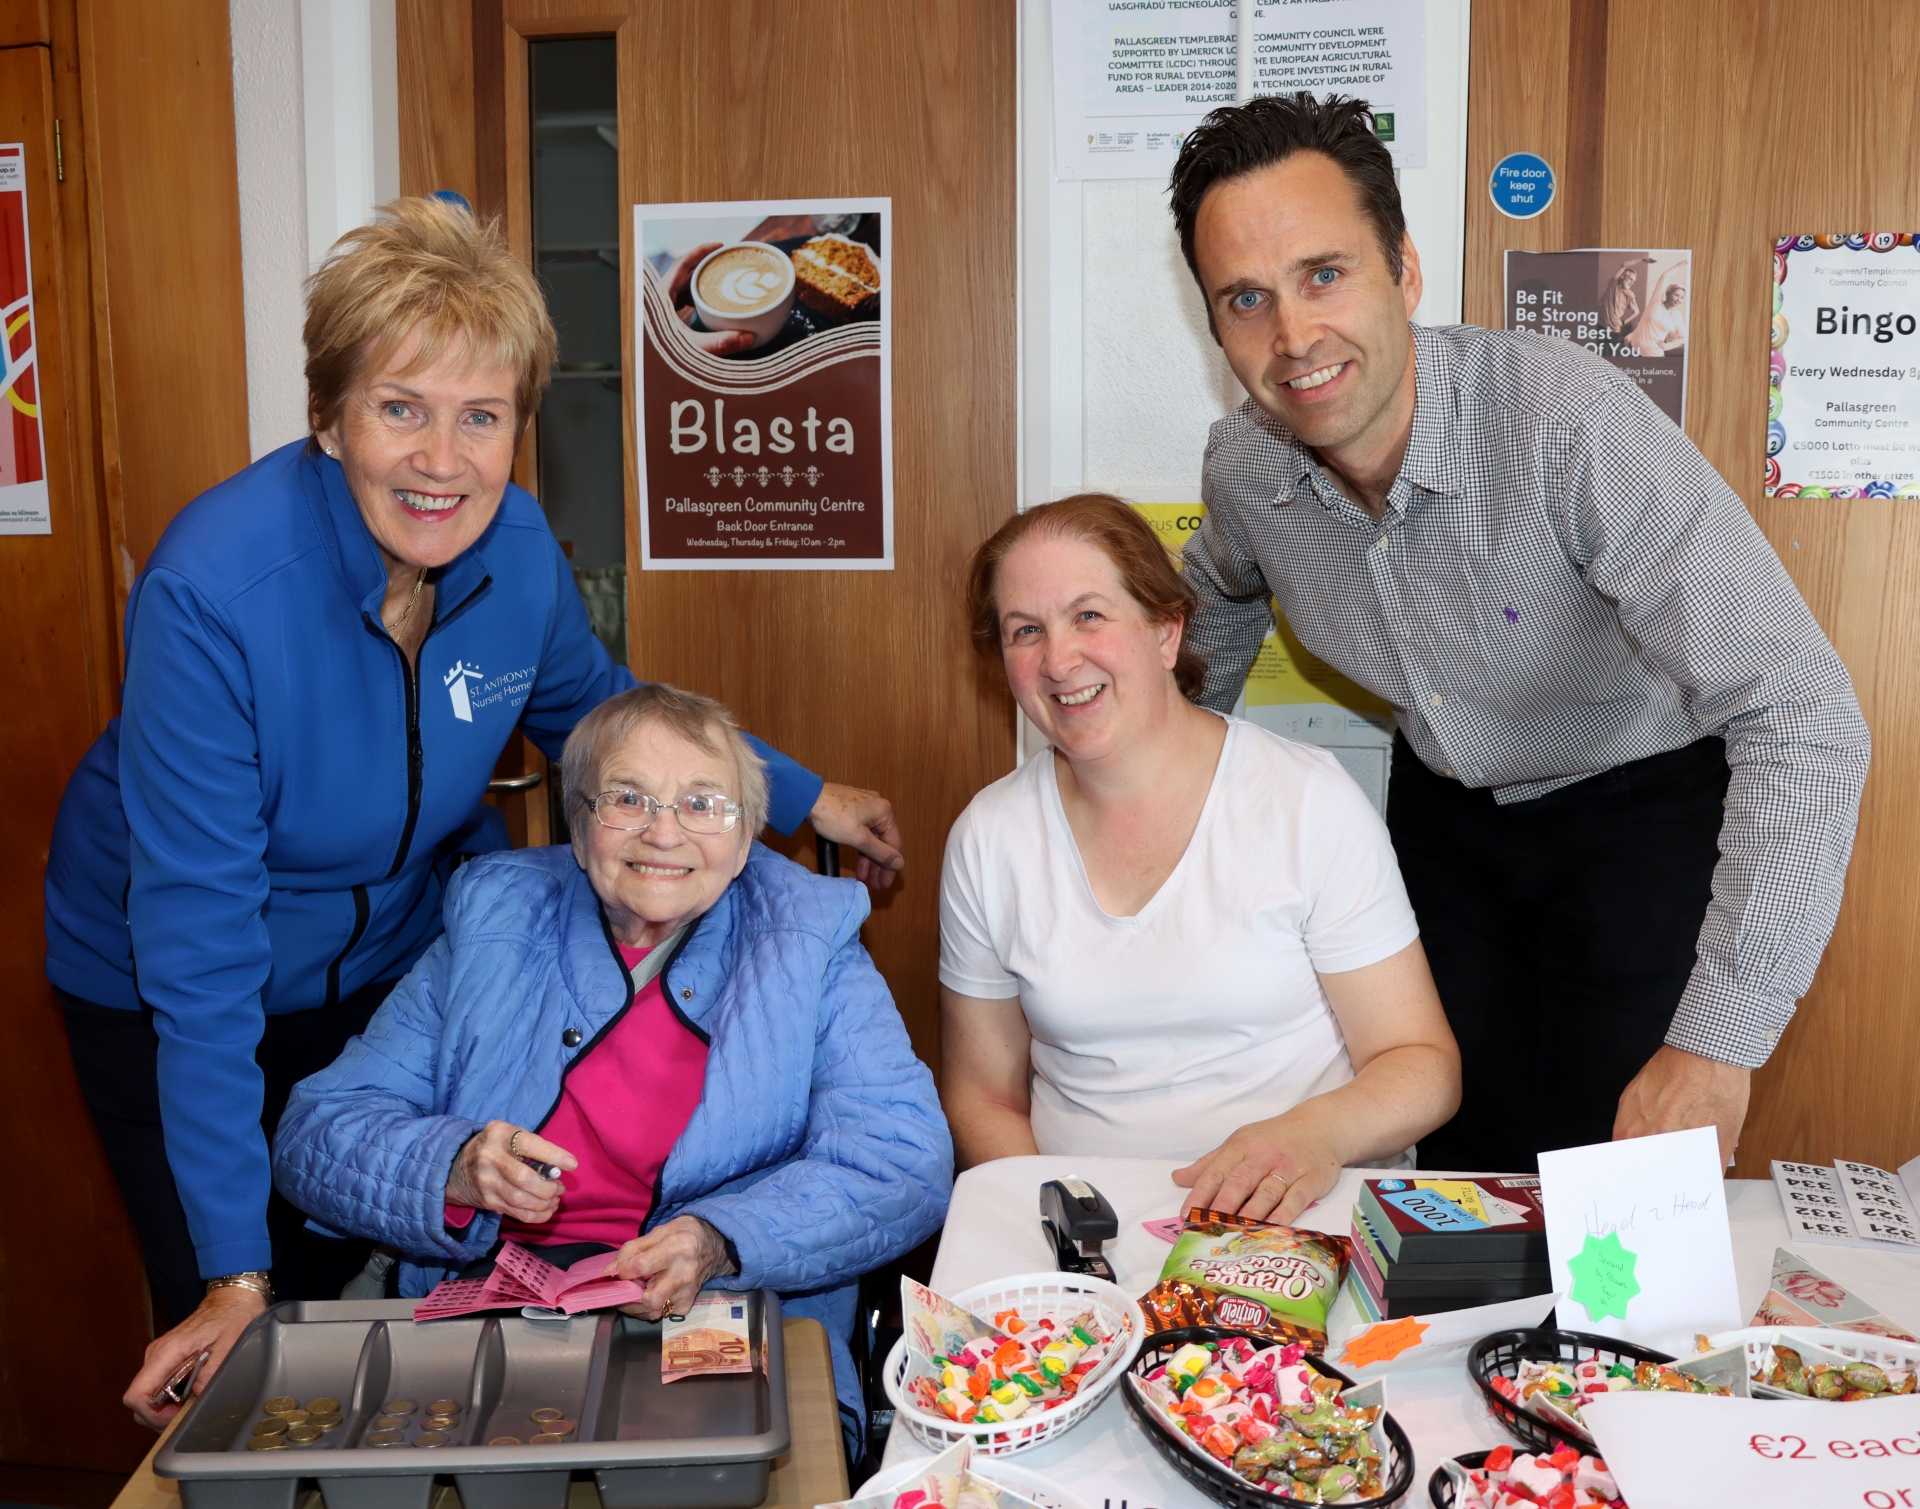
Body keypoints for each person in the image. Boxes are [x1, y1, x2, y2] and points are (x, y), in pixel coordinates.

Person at [42, 198, 906, 1428]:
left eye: (481, 417)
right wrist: (233, 1276)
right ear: (329, 420)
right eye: (401, 407)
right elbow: (199, 949)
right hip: (170, 986)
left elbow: (598, 708)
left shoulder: (516, 554)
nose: (442, 460)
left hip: (381, 954)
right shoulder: (215, 590)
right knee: (246, 1330)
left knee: (364, 1287)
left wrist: (808, 796)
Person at [1165, 94, 1868, 1174]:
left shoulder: (1566, 425)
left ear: (1403, 271)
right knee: (1455, 1181)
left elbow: (1801, 710)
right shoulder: (1246, 469)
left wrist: (1719, 1044)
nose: (1295, 337)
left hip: (1640, 818)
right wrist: (1157, 780)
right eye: (1246, 299)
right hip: (1446, 827)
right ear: (1216, 327)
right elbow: (1212, 595)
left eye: (1325, 274)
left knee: (1623, 1209)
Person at [274, 683, 950, 1452]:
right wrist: (451, 1168)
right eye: (628, 798)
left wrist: (720, 1238)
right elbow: (316, 1128)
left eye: (703, 804)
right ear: (579, 819)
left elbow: (903, 1159)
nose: (665, 833)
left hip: (721, 1316)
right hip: (492, 1321)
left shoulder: (806, 933)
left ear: (746, 835)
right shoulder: (495, 913)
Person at [938, 494, 1461, 1223]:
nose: (1059, 659)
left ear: (1165, 629)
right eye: (1026, 630)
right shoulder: (989, 837)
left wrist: (1308, 1136)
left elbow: (1421, 1064)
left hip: (1296, 1218)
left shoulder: (1305, 798)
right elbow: (982, 1094)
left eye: (1089, 615)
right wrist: (1056, 1222)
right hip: (1091, 1238)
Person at [1600, 264, 1641, 337]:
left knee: (1613, 348)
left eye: (1633, 281)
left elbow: (1636, 311)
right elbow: (1624, 265)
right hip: (1600, 324)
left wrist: (1624, 322)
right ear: (1622, 276)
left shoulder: (1630, 295)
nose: (1631, 283)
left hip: (1614, 329)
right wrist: (1642, 259)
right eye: (1630, 279)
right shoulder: (1613, 285)